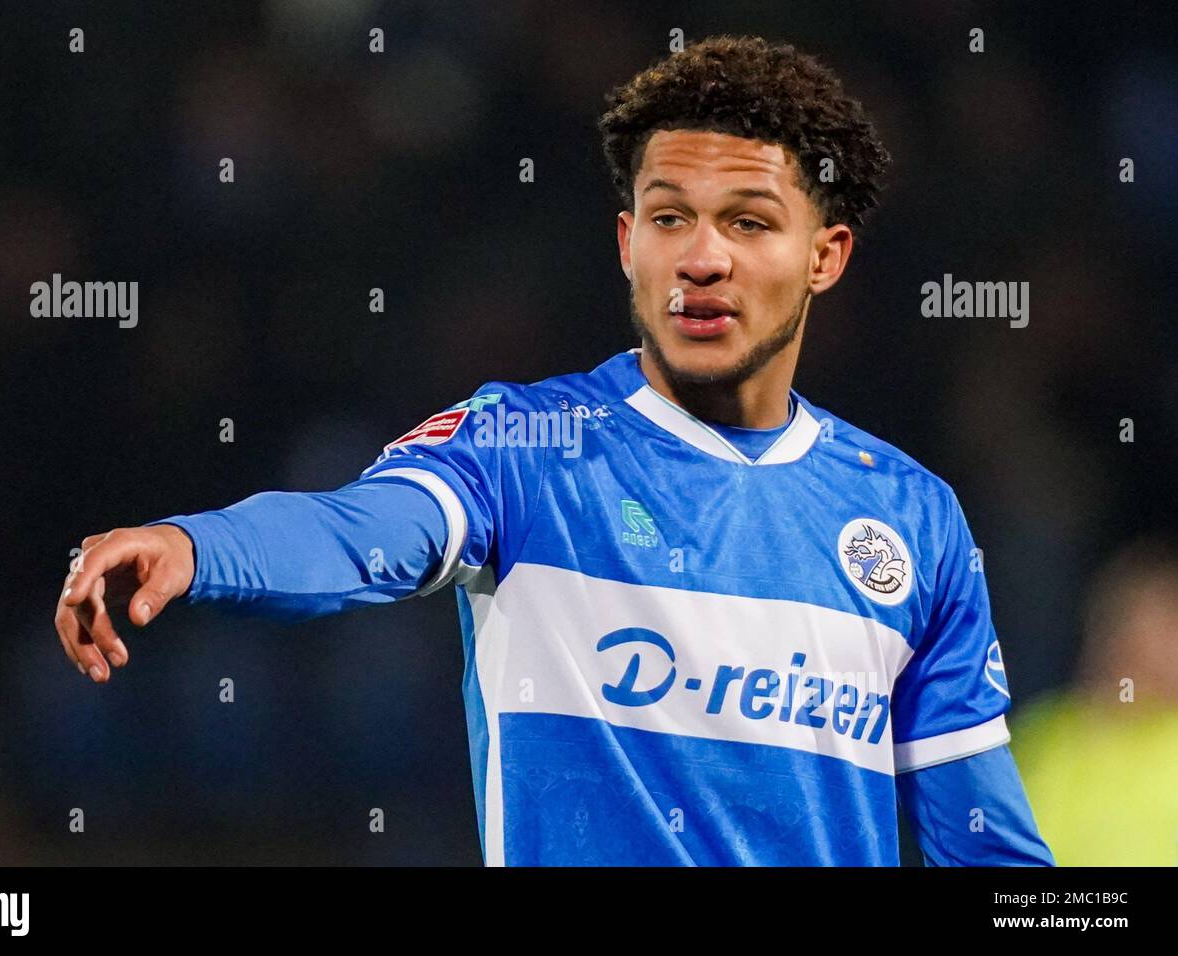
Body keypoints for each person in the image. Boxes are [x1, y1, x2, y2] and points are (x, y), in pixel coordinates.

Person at [55, 35, 1053, 866]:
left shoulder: (910, 515)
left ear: (824, 256)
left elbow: (986, 846)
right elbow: (360, 527)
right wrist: (197, 545)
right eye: (670, 218)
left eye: (747, 222)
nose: (701, 257)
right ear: (628, 244)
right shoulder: (527, 446)